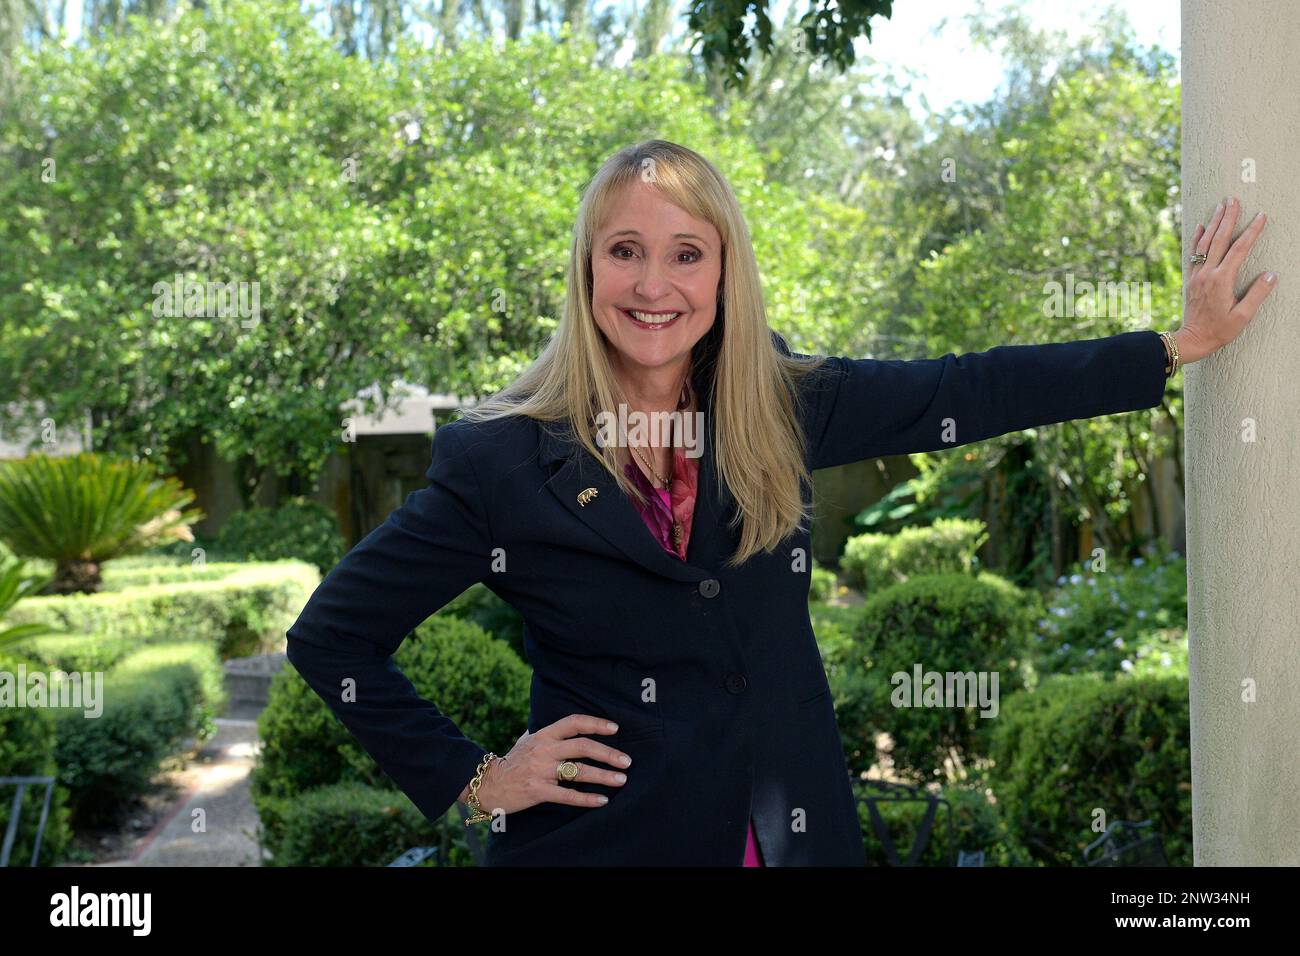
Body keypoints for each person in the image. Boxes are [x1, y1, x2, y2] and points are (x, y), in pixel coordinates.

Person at [285, 141, 1276, 866]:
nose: (654, 283)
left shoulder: (784, 404)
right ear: (587, 270)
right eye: (624, 250)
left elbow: (964, 387)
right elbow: (333, 636)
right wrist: (473, 776)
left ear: (724, 271)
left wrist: (1168, 346)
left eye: (686, 252)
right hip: (593, 846)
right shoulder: (498, 456)